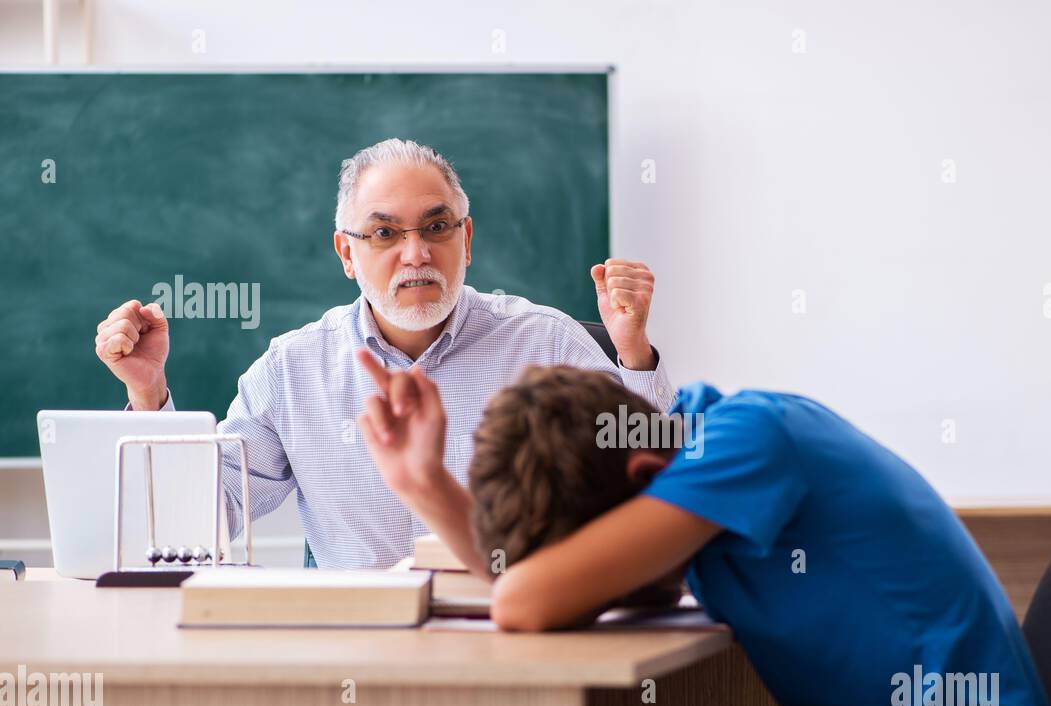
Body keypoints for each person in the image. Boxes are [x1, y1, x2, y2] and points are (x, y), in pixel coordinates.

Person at [355, 362, 1051, 706]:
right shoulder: (681, 445)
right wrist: (424, 483)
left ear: (645, 481)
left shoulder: (749, 440)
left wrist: (533, 568)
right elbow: (536, 586)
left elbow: (526, 598)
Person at [92, 138, 673, 568]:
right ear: (346, 253)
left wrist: (632, 356)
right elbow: (199, 523)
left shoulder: (545, 341)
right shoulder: (293, 370)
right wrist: (147, 393)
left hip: (510, 630)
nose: (416, 253)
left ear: (465, 239)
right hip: (356, 650)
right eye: (385, 234)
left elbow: (654, 485)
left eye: (437, 226)